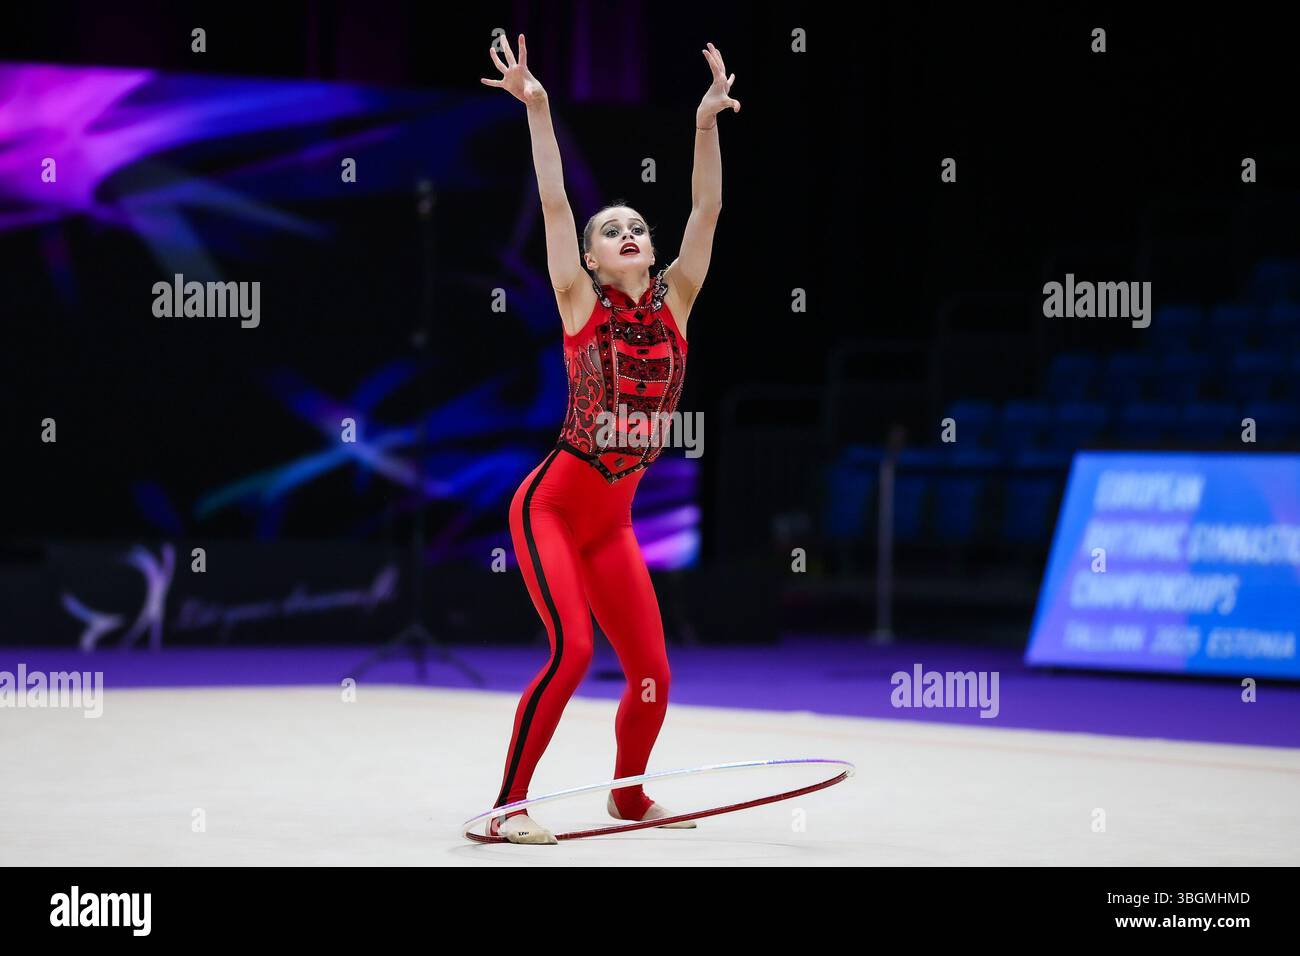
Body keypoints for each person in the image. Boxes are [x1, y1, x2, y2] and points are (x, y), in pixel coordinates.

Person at [478, 33, 738, 843]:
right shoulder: (577, 305)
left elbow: (708, 209)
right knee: (572, 654)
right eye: (610, 230)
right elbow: (554, 201)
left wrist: (704, 122)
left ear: (652, 252)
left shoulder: (679, 302)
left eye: (636, 228)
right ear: (589, 259)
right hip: (552, 507)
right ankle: (507, 807)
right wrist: (540, 108)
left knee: (654, 675)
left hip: (613, 525)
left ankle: (628, 796)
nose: (626, 233)